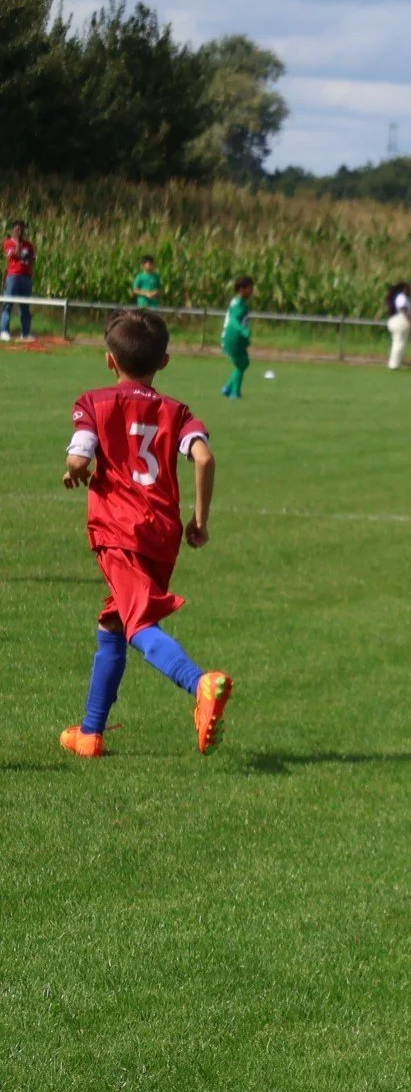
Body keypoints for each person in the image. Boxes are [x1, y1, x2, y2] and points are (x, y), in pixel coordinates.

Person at [59, 309, 234, 758]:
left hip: (119, 528)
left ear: (109, 361)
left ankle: (200, 683)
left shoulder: (93, 403)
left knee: (136, 623)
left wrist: (76, 468)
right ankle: (90, 732)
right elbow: (204, 458)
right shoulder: (177, 412)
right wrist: (200, 521)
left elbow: (81, 452)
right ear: (165, 362)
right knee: (114, 622)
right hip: (162, 531)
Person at [218, 275, 254, 399]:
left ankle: (228, 388)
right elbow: (234, 321)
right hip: (232, 337)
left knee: (243, 363)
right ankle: (234, 392)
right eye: (250, 288)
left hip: (237, 338)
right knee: (242, 363)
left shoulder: (241, 303)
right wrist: (243, 331)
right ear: (242, 289)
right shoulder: (237, 304)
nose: (252, 290)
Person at [2, 218, 37, 340]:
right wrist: (17, 243)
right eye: (17, 229)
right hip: (13, 277)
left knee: (25, 307)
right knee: (8, 304)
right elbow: (15, 255)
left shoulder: (29, 245)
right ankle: (4, 331)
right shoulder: (8, 243)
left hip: (26, 278)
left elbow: (32, 258)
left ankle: (26, 333)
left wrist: (31, 269)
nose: (20, 232)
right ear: (13, 230)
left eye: (22, 229)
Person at [385, 282, 411, 370]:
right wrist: (410, 321)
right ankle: (393, 365)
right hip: (400, 321)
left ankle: (396, 362)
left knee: (399, 343)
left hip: (397, 321)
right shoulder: (401, 297)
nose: (410, 291)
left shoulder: (402, 297)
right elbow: (403, 309)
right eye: (408, 289)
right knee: (398, 343)